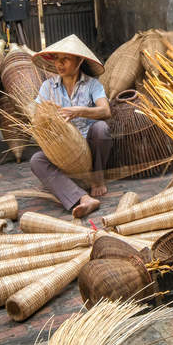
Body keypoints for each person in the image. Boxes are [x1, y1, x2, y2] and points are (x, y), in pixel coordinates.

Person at [28, 34, 112, 218]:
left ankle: (96, 178)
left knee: (101, 129)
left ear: (80, 60)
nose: (59, 64)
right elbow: (36, 115)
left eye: (65, 59)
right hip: (61, 152)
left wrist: (79, 111)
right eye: (57, 59)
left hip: (87, 149)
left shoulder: (92, 85)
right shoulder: (48, 87)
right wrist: (46, 116)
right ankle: (82, 198)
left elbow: (105, 111)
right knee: (36, 161)